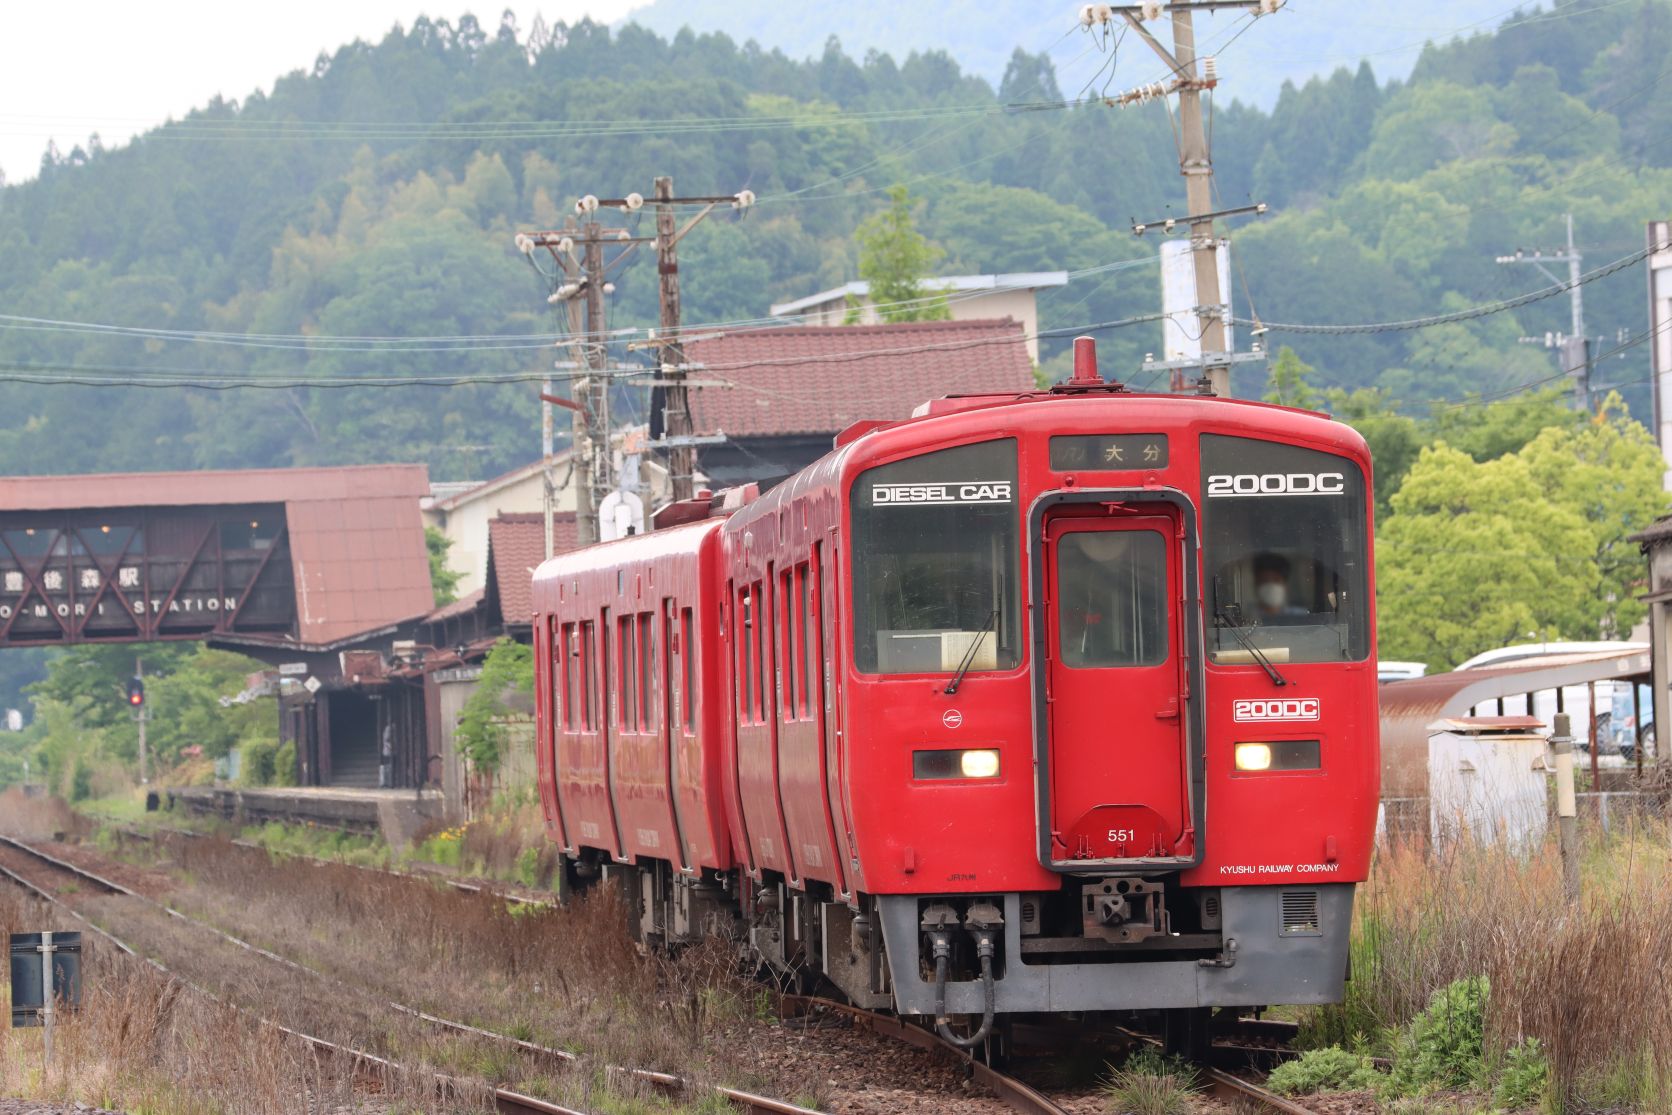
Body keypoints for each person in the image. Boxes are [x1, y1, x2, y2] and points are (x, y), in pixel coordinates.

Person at [1252, 552, 1309, 623]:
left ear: (1285, 585)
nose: (1270, 587)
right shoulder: (1248, 619)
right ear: (1256, 584)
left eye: (1276, 580)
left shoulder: (1302, 616)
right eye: (1265, 580)